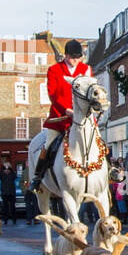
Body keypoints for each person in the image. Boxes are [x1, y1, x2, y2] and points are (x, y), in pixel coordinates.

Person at [30, 38, 90, 190]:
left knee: (96, 140)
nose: (75, 61)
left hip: (82, 119)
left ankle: (109, 171)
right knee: (48, 144)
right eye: (72, 57)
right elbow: (53, 94)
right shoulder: (54, 70)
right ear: (65, 55)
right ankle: (38, 176)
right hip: (60, 118)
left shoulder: (86, 69)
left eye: (78, 57)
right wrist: (66, 110)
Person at [0, 160, 17, 224]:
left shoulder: (12, 173)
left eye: (7, 166)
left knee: (12, 207)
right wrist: (2, 169)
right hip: (4, 192)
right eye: (5, 166)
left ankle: (14, 219)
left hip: (11, 192)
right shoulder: (2, 174)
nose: (6, 168)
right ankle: (5, 220)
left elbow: (15, 176)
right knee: (5, 207)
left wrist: (10, 169)